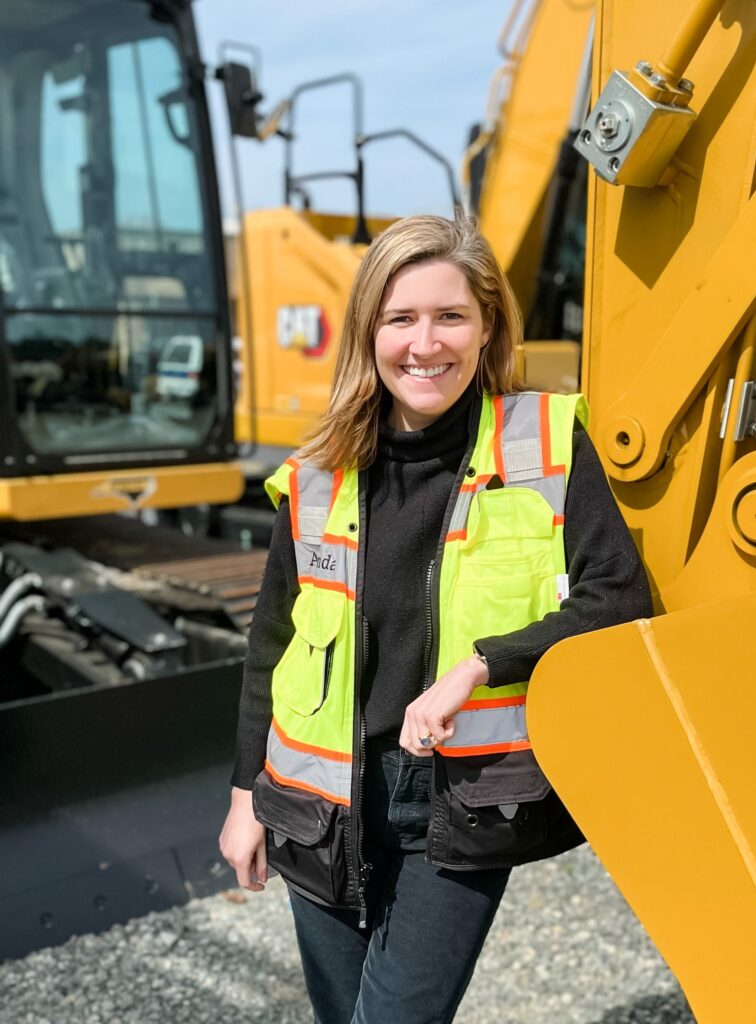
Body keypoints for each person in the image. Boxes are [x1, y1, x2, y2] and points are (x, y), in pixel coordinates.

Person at [219, 214, 652, 1024]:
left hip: (459, 799)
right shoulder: (314, 478)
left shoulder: (547, 445)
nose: (426, 343)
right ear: (368, 332)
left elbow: (620, 599)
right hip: (316, 801)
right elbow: (268, 648)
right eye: (400, 318)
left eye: (450, 316)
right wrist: (245, 796)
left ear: (487, 327)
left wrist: (481, 664)